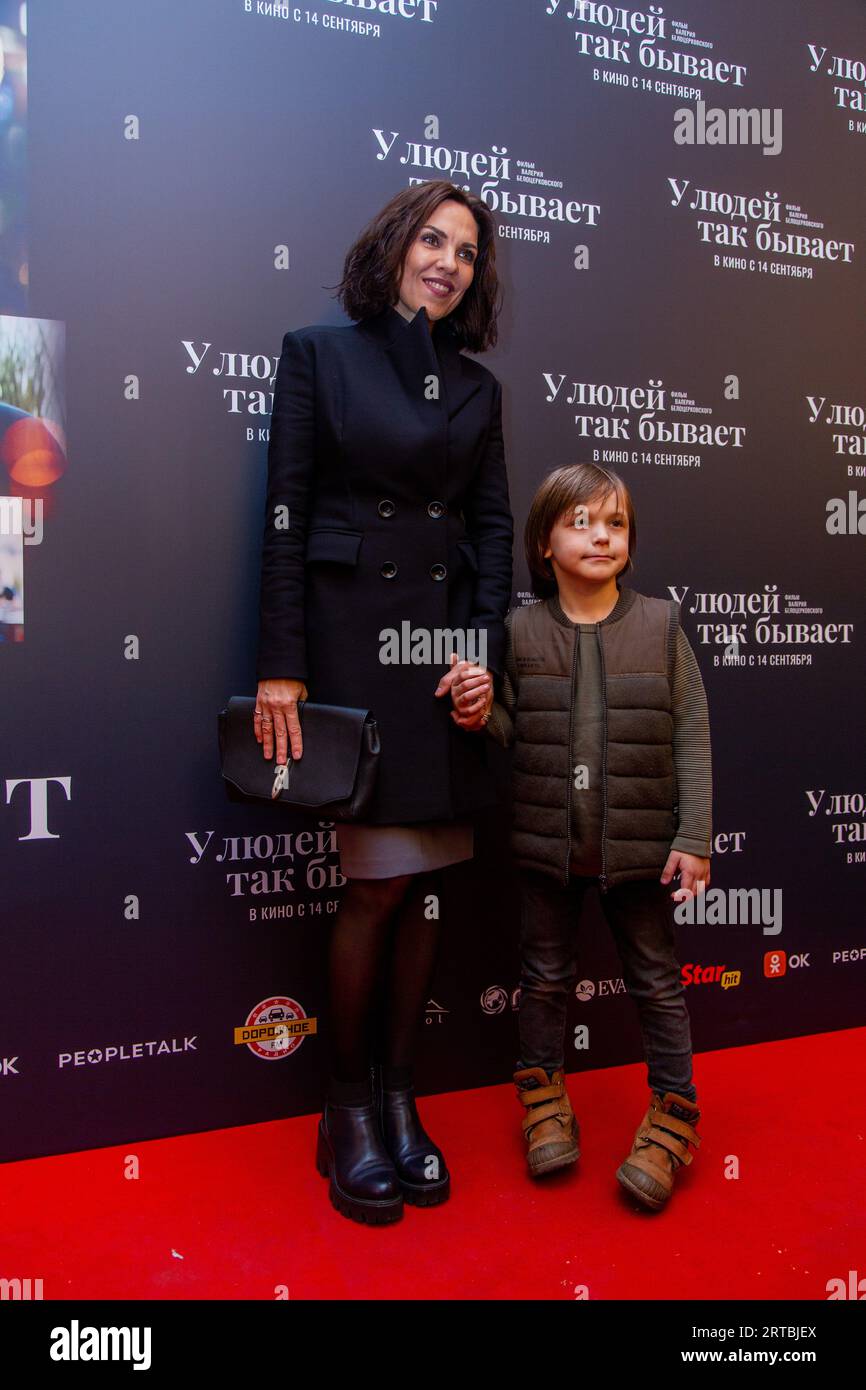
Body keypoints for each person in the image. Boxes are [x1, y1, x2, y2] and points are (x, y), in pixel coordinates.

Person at [253, 180, 512, 1224]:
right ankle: (345, 1104)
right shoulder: (318, 355)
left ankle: (401, 1097)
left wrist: (481, 652)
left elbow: (493, 533)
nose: (446, 260)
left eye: (465, 250)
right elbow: (282, 515)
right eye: (430, 239)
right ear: (394, 246)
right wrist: (283, 662)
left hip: (441, 662)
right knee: (374, 883)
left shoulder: (479, 389)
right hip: (355, 645)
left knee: (429, 885)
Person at [484, 463, 712, 1211]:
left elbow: (692, 734)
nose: (600, 535)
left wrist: (697, 834)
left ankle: (675, 1115)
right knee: (543, 978)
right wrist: (476, 710)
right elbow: (512, 734)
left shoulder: (663, 625)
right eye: (581, 522)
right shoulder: (518, 631)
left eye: (614, 523)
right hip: (548, 851)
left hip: (642, 854)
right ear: (543, 544)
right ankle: (544, 1102)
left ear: (631, 541)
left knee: (656, 981)